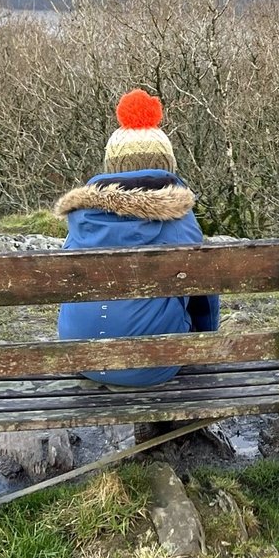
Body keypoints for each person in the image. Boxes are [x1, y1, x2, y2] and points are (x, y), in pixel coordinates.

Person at [54, 88, 220, 387]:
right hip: (151, 366)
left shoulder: (80, 220)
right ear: (167, 165)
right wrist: (205, 340)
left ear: (110, 168)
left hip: (81, 357)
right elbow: (203, 298)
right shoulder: (179, 221)